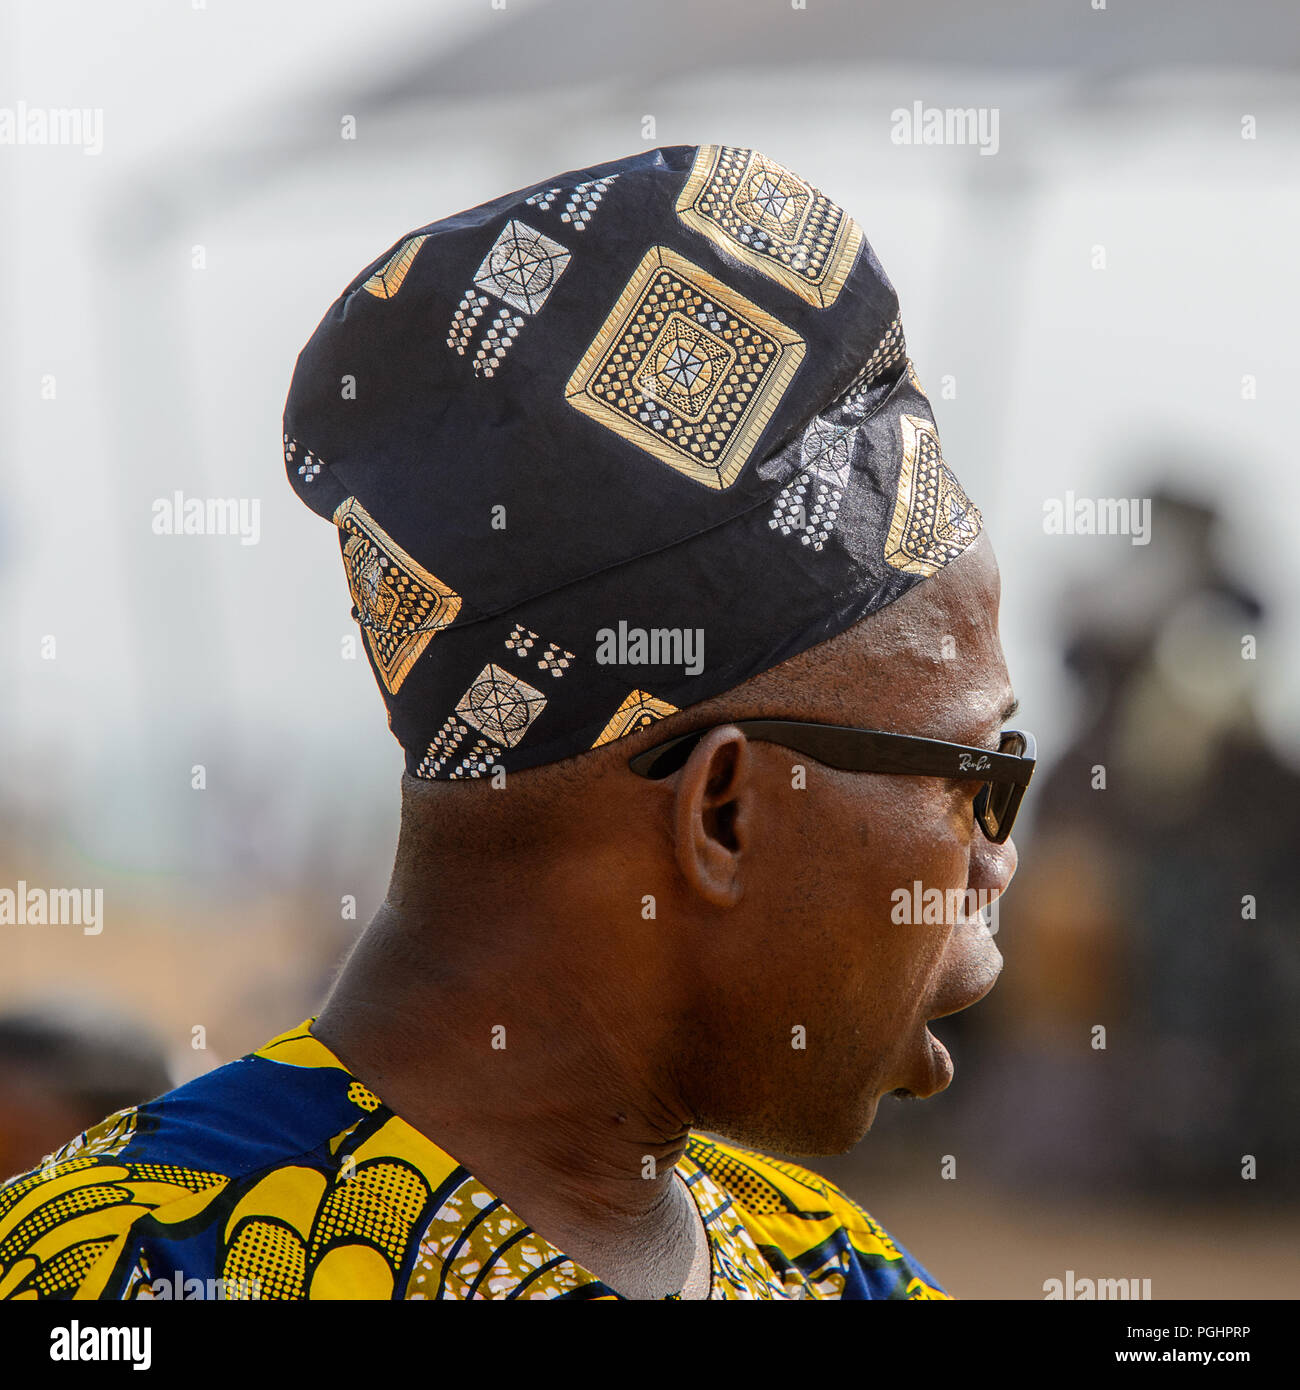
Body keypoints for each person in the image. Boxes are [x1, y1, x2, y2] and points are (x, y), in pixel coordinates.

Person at [0, 144, 1031, 1300]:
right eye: (975, 776)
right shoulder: (113, 1282)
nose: (994, 860)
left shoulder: (838, 1268)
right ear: (727, 812)